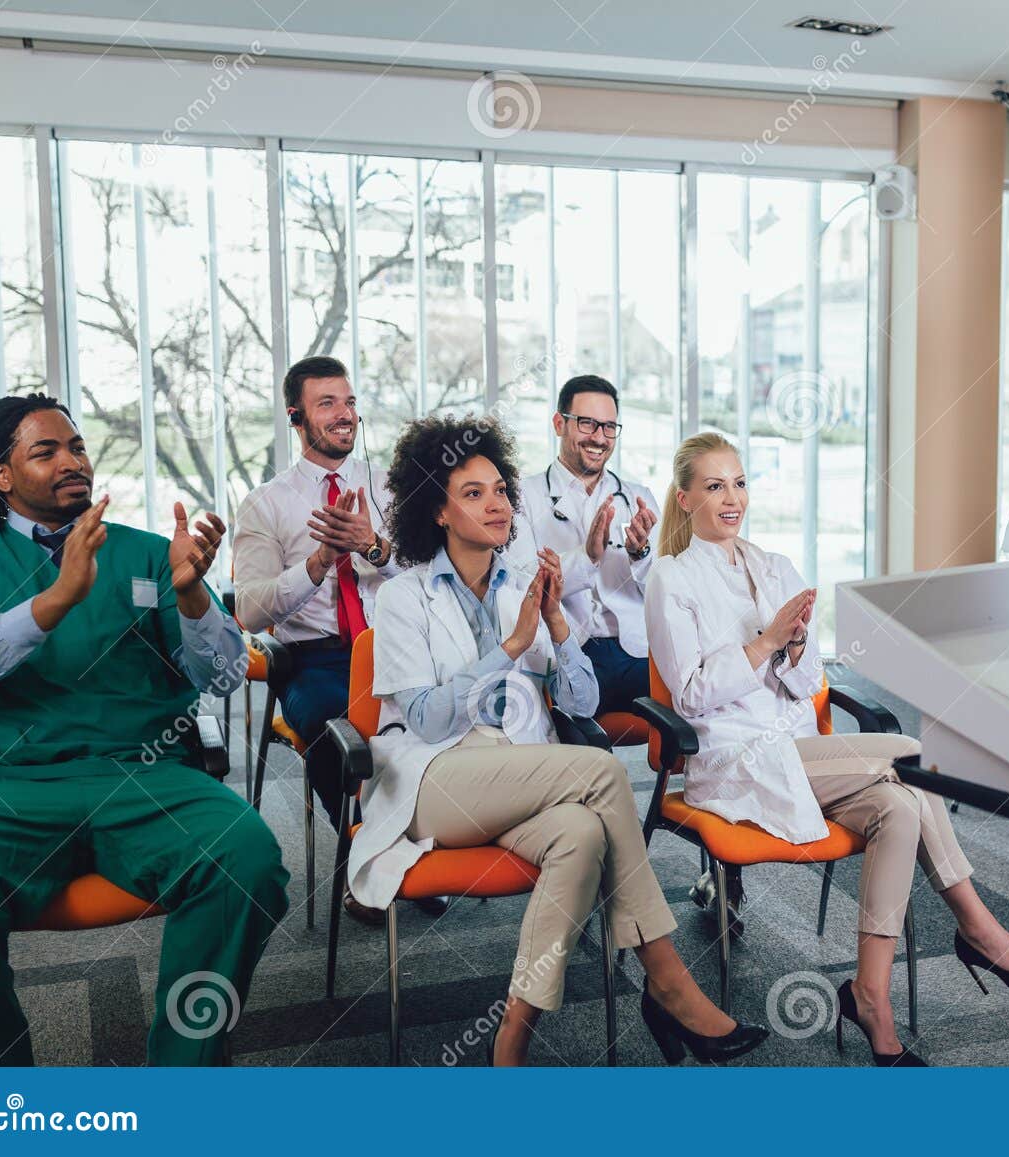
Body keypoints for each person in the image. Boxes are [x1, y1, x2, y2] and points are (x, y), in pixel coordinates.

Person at [0, 393, 287, 1066]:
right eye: (47, 450)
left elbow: (224, 675)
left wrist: (189, 596)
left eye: (78, 447)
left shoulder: (151, 554)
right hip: (13, 781)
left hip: (148, 773)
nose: (73, 461)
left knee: (248, 860)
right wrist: (55, 600)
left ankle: (184, 1077)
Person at [347, 414, 768, 1066]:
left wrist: (556, 629)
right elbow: (427, 720)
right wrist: (507, 646)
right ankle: (668, 980)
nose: (496, 505)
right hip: (435, 779)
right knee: (602, 776)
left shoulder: (522, 586)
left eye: (500, 490)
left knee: (583, 833)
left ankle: (511, 1038)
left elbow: (583, 703)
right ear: (436, 509)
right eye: (473, 493)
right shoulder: (404, 598)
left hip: (521, 775)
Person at [645, 431, 1009, 1066]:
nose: (732, 498)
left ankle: (870, 996)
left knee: (902, 808)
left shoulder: (774, 565)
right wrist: (763, 643)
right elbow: (691, 698)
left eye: (741, 482)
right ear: (685, 497)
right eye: (715, 485)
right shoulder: (669, 579)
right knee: (911, 755)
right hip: (734, 762)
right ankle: (978, 927)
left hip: (802, 754)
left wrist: (797, 649)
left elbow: (810, 689)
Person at [233, 356, 398, 833]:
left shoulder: (391, 488)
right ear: (295, 417)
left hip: (396, 646)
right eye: (327, 403)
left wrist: (373, 546)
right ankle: (366, 856)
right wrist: (319, 562)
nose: (344, 414)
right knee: (337, 730)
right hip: (315, 659)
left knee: (445, 713)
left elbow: (432, 575)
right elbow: (249, 609)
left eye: (348, 402)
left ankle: (430, 840)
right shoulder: (264, 504)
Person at [517, 374, 660, 715]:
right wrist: (587, 556)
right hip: (569, 650)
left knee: (692, 707)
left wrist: (641, 555)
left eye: (609, 427)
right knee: (577, 728)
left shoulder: (639, 498)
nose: (599, 438)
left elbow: (666, 590)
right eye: (587, 424)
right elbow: (523, 586)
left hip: (637, 653)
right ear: (558, 423)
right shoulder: (523, 498)